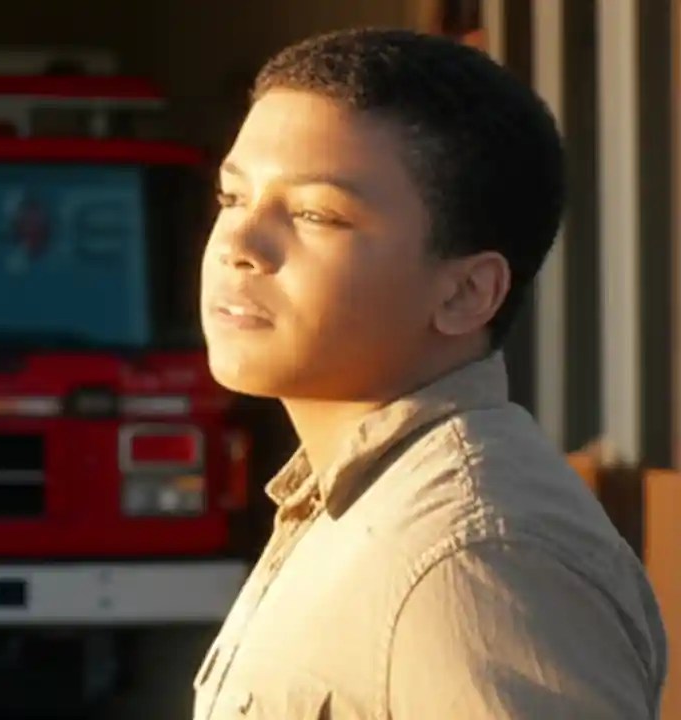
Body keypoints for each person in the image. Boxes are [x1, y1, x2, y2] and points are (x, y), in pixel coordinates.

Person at [193, 27, 667, 719]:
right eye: (233, 198)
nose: (239, 245)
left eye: (315, 213)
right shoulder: (354, 505)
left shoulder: (475, 557)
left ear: (465, 294)